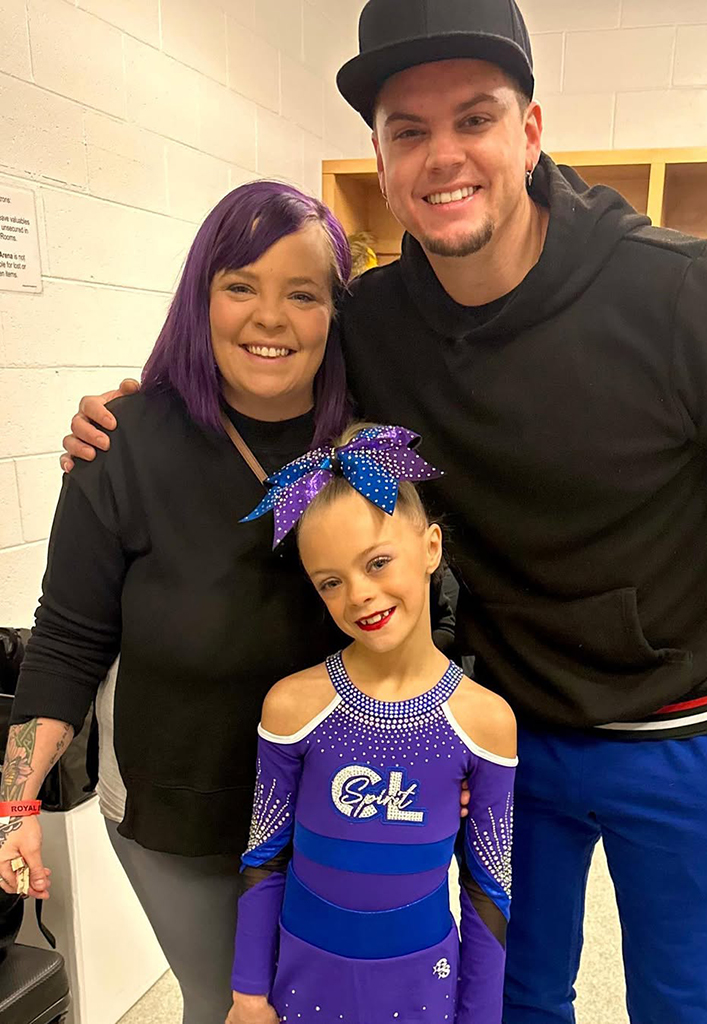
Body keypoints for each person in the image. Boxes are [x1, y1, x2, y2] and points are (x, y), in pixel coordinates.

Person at [60, 1, 707, 1021]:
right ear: (379, 160)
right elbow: (259, 365)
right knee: (516, 1003)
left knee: (680, 1008)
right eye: (407, 130)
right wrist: (130, 415)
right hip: (509, 731)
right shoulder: (372, 324)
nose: (442, 156)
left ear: (530, 131)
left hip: (689, 730)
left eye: (474, 118)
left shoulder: (689, 296)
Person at [0, 182, 358, 1024]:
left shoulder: (368, 446)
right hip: (179, 804)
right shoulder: (122, 444)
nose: (268, 317)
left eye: (302, 294)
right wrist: (14, 803)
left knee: (329, 998)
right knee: (235, 1004)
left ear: (335, 313)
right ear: (202, 296)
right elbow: (67, 642)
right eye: (240, 285)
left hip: (340, 794)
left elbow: (432, 609)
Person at [226, 422, 517, 1024]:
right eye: (331, 582)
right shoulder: (293, 706)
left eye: (378, 562)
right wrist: (248, 993)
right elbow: (264, 857)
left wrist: (481, 1017)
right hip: (304, 979)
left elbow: (489, 888)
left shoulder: (485, 720)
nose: (359, 594)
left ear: (431, 548)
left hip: (421, 986)